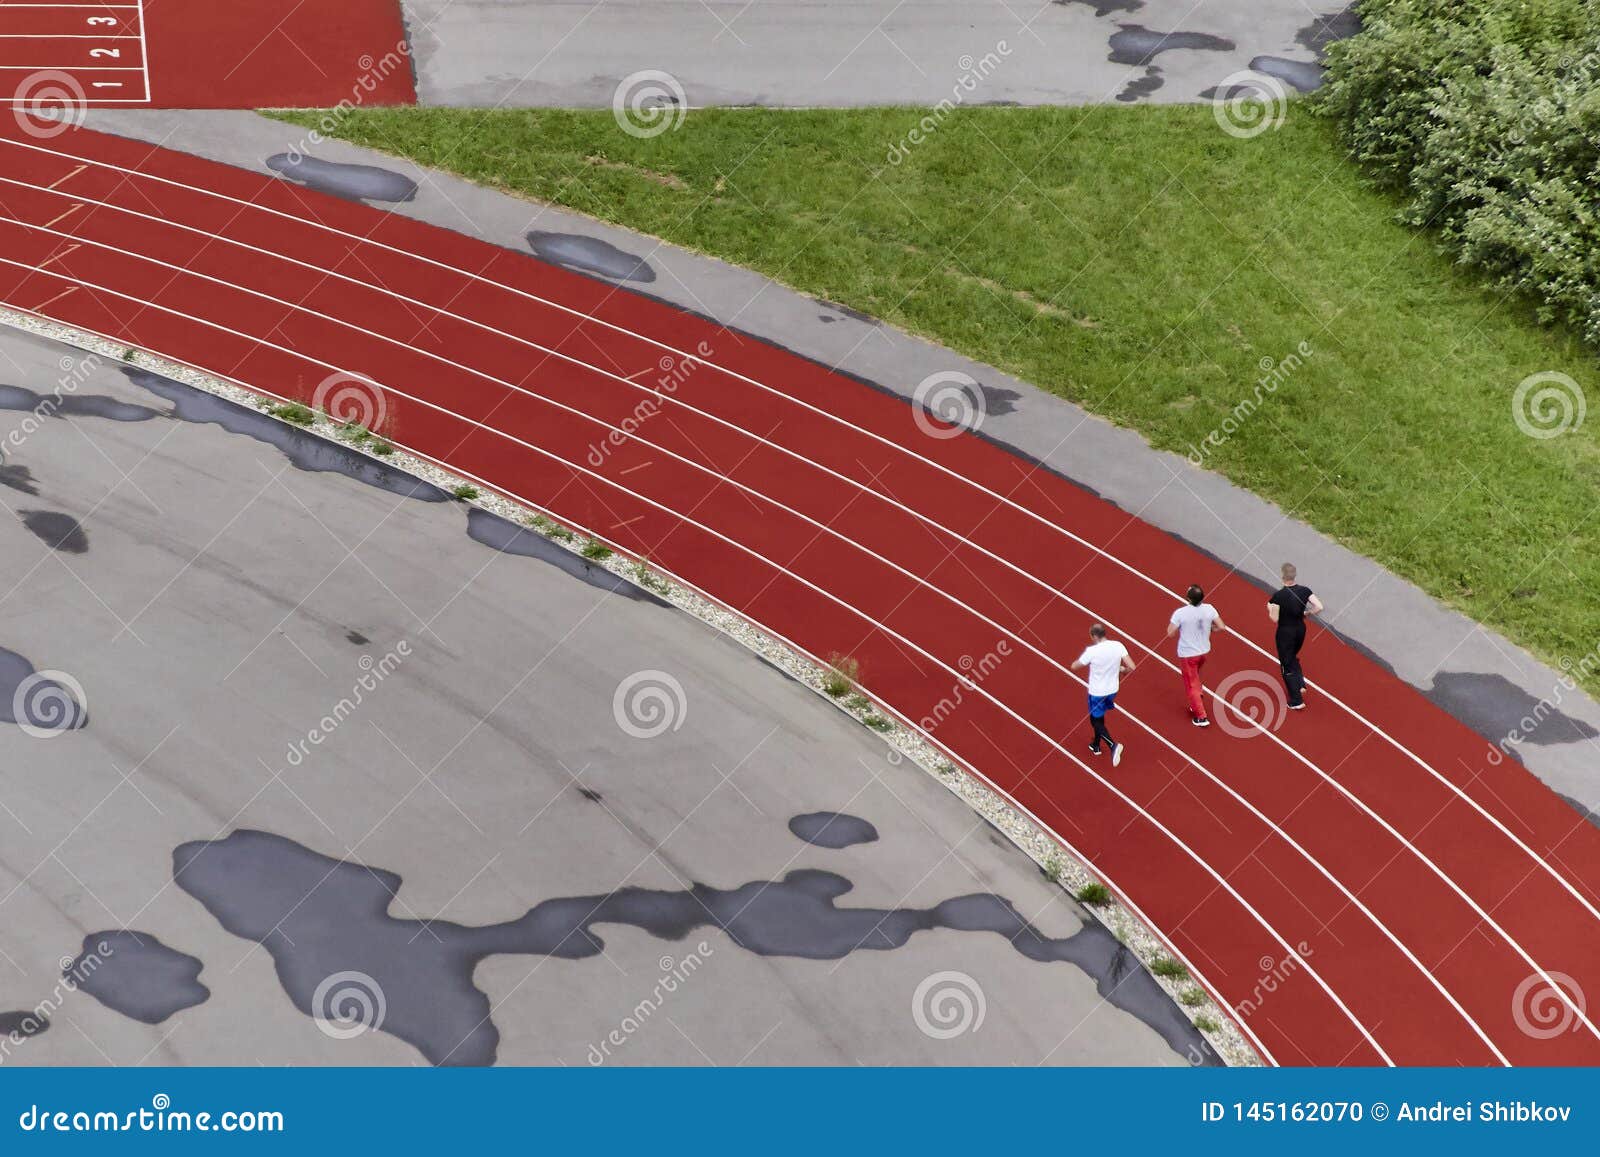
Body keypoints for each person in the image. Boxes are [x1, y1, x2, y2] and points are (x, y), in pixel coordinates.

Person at [1071, 623, 1134, 766]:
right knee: (1099, 718)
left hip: (1097, 692)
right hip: (1113, 689)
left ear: (1093, 636)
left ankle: (1113, 745)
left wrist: (1080, 663)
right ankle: (1096, 745)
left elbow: (1074, 666)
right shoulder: (1118, 645)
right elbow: (1131, 666)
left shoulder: (1092, 651)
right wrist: (1121, 669)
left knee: (1095, 721)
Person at [1167, 584, 1225, 726]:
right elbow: (1222, 626)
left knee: (1191, 683)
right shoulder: (1209, 609)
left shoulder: (1181, 613)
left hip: (1188, 654)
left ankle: (1201, 716)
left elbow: (1170, 633)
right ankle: (1196, 700)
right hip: (1203, 651)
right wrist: (1210, 628)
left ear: (1188, 598)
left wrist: (1182, 627)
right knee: (1195, 678)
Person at [1267, 563, 1322, 710]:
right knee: (1292, 657)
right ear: (1295, 575)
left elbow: (1274, 618)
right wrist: (1307, 613)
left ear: (1283, 576)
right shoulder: (1305, 590)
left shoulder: (1278, 596)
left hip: (1285, 632)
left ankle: (1296, 700)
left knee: (1286, 664)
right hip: (1300, 629)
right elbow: (1319, 607)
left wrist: (1270, 607)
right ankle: (1300, 684)